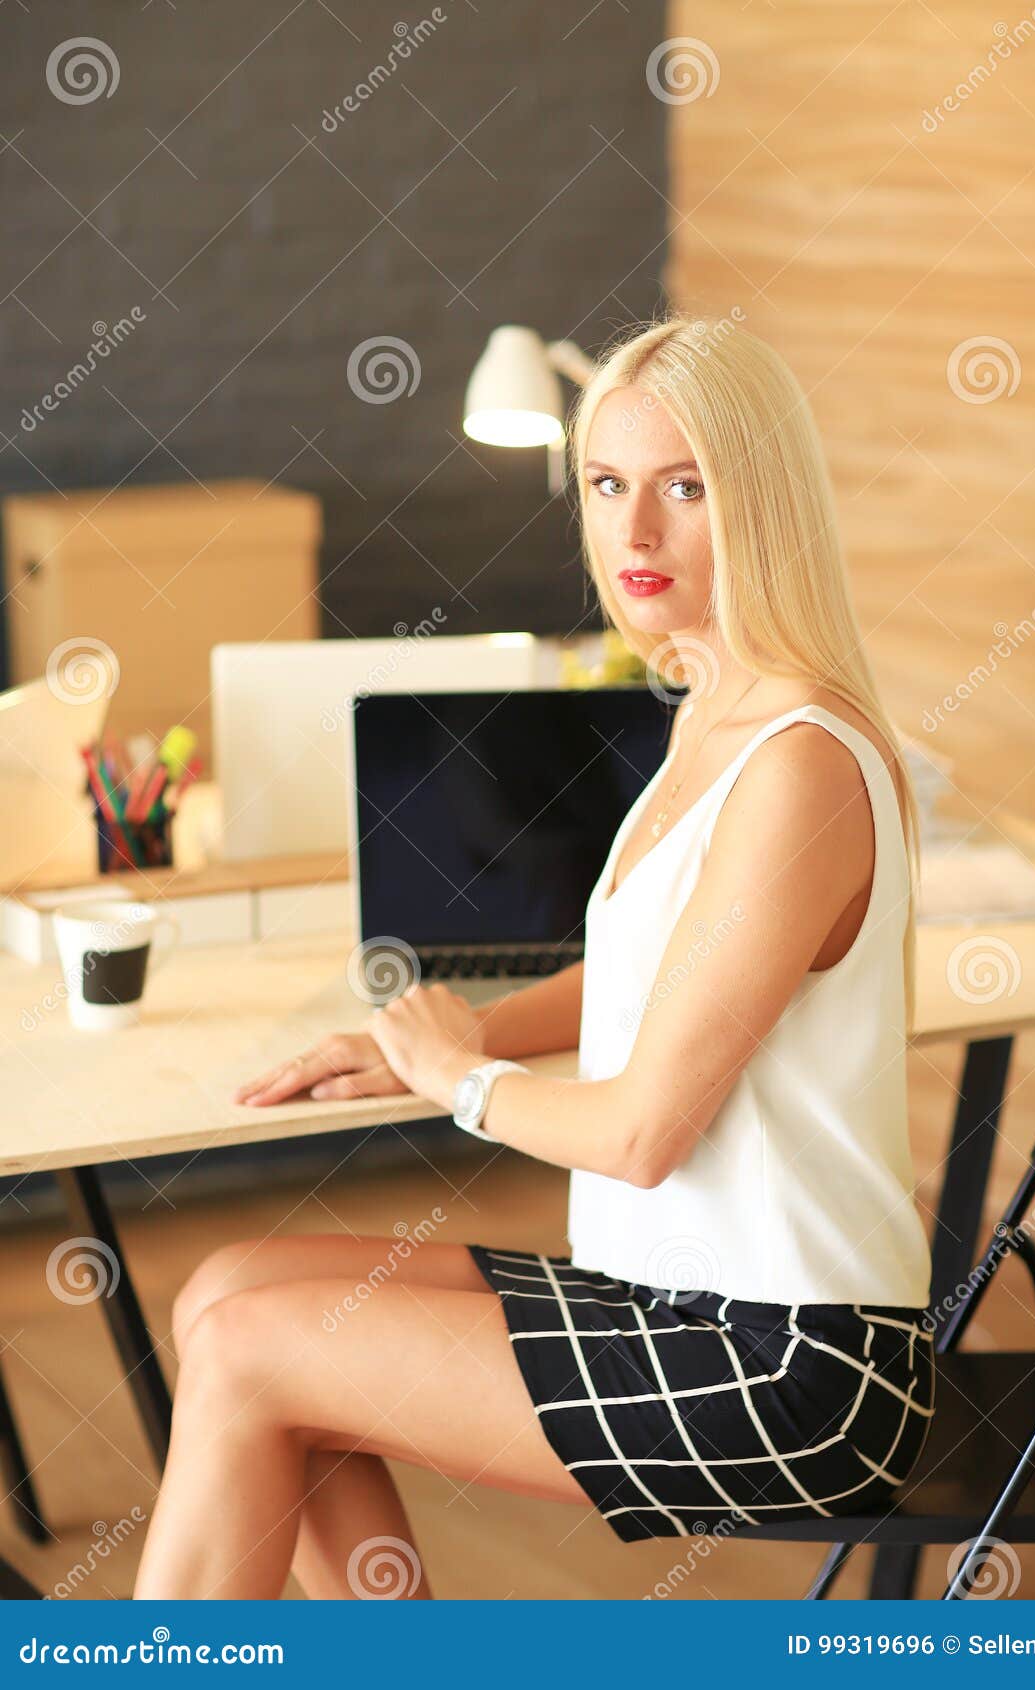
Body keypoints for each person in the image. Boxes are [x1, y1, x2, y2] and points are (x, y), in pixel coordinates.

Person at [133, 315, 934, 1600]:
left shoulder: (798, 764)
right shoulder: (709, 712)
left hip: (790, 1365)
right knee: (227, 1288)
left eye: (684, 488)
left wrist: (459, 1082)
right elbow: (652, 982)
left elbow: (639, 1136)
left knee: (251, 1349)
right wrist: (444, 1036)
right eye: (608, 485)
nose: (635, 533)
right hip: (665, 1294)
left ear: (764, 502)